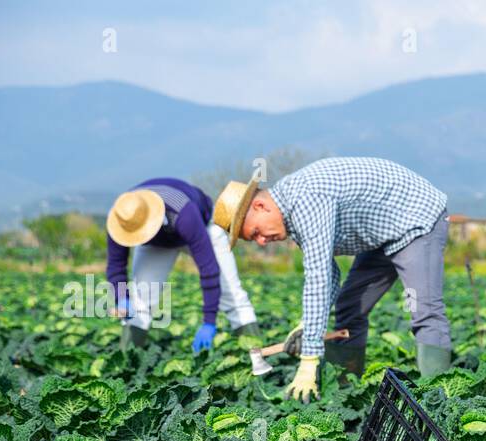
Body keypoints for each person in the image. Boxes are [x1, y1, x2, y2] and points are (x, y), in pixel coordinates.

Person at [224, 157, 454, 402]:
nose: (261, 241)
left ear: (260, 206)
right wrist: (306, 325)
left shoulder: (306, 199)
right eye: (254, 239)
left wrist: (309, 360)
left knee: (422, 309)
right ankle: (347, 395)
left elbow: (319, 277)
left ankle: (437, 404)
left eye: (256, 232)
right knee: (349, 308)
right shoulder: (292, 214)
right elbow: (332, 276)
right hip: (379, 235)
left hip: (415, 221)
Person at [106, 177, 261, 351]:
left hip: (202, 228)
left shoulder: (183, 213)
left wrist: (209, 322)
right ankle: (126, 364)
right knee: (140, 301)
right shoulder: (122, 218)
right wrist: (121, 298)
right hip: (157, 243)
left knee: (232, 294)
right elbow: (115, 266)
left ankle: (256, 358)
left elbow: (208, 269)